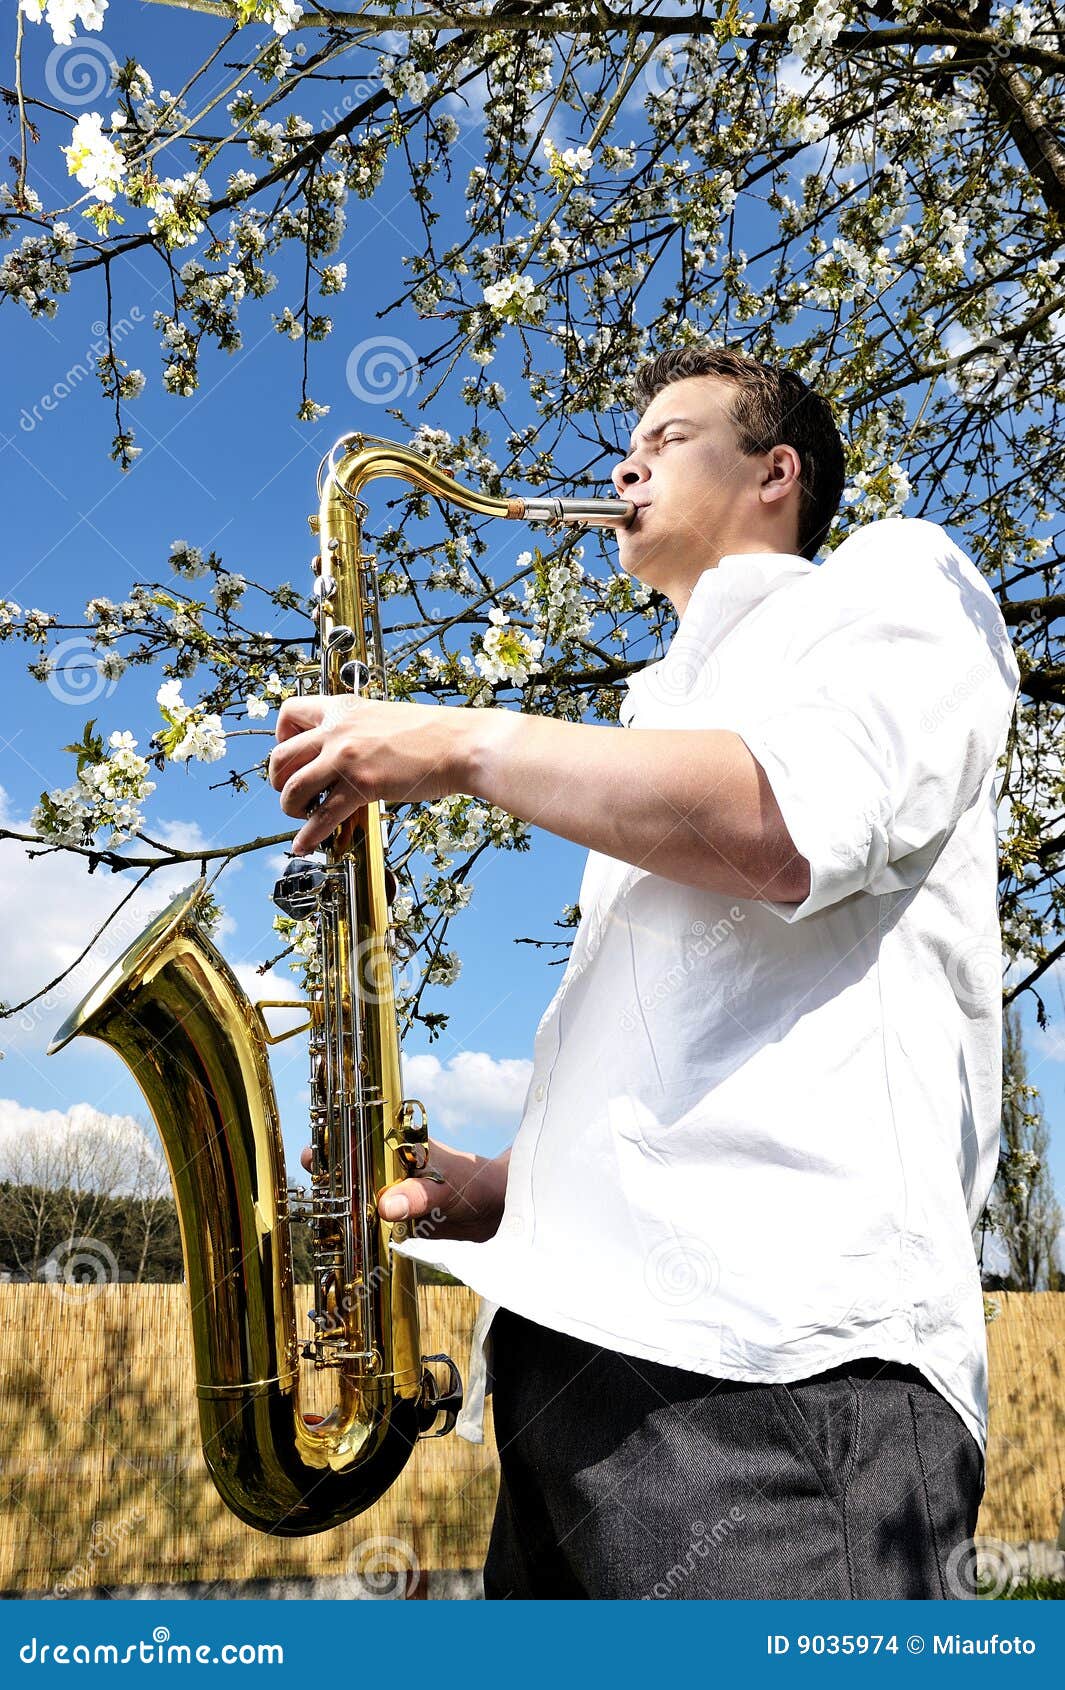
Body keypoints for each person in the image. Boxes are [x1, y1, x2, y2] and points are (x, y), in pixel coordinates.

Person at [269, 344, 1020, 1600]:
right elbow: (707, 1045)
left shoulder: (894, 582)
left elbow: (786, 826)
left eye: (669, 437)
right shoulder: (660, 708)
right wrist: (506, 1185)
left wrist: (458, 739)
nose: (627, 461)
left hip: (779, 1374)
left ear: (778, 472)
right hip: (571, 1386)